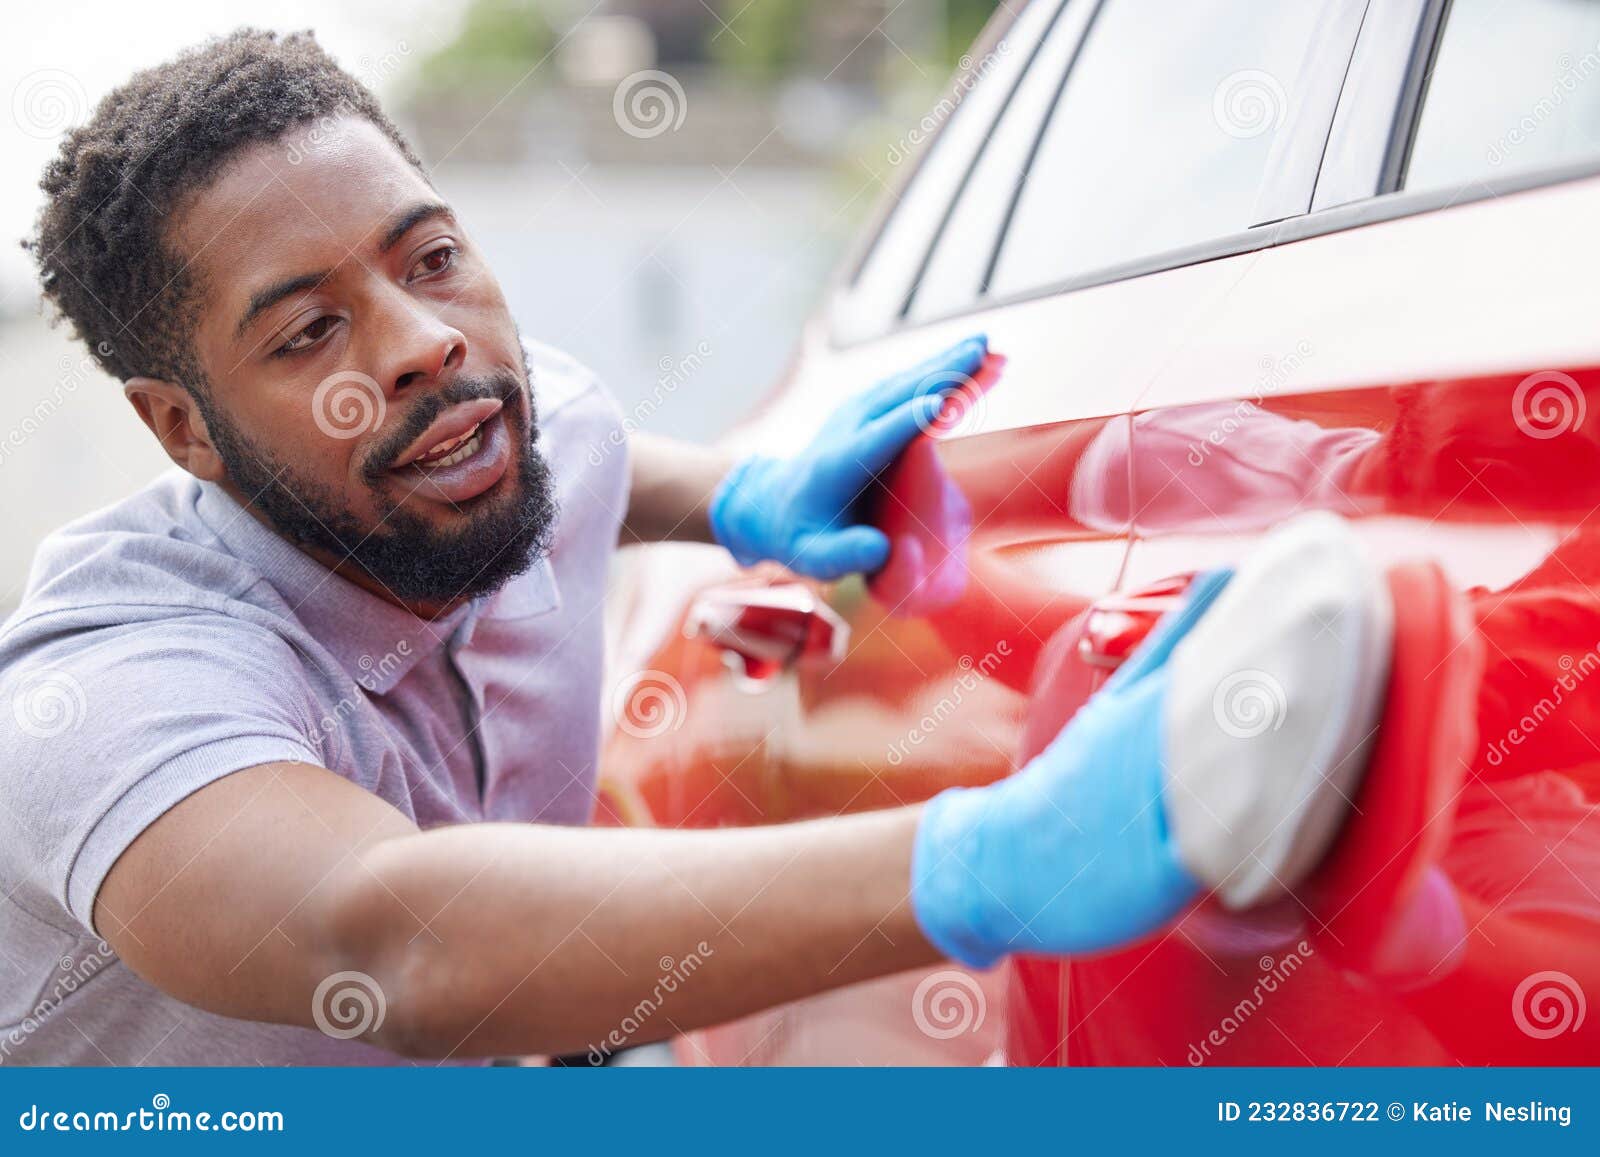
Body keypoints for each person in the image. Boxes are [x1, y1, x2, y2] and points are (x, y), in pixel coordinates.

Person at [0, 29, 1284, 1065]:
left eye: (432, 258)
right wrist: (994, 857)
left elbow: (590, 449)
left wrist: (746, 497)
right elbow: (387, 945)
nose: (419, 344)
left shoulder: (489, 422)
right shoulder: (110, 695)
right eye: (305, 333)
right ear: (183, 427)